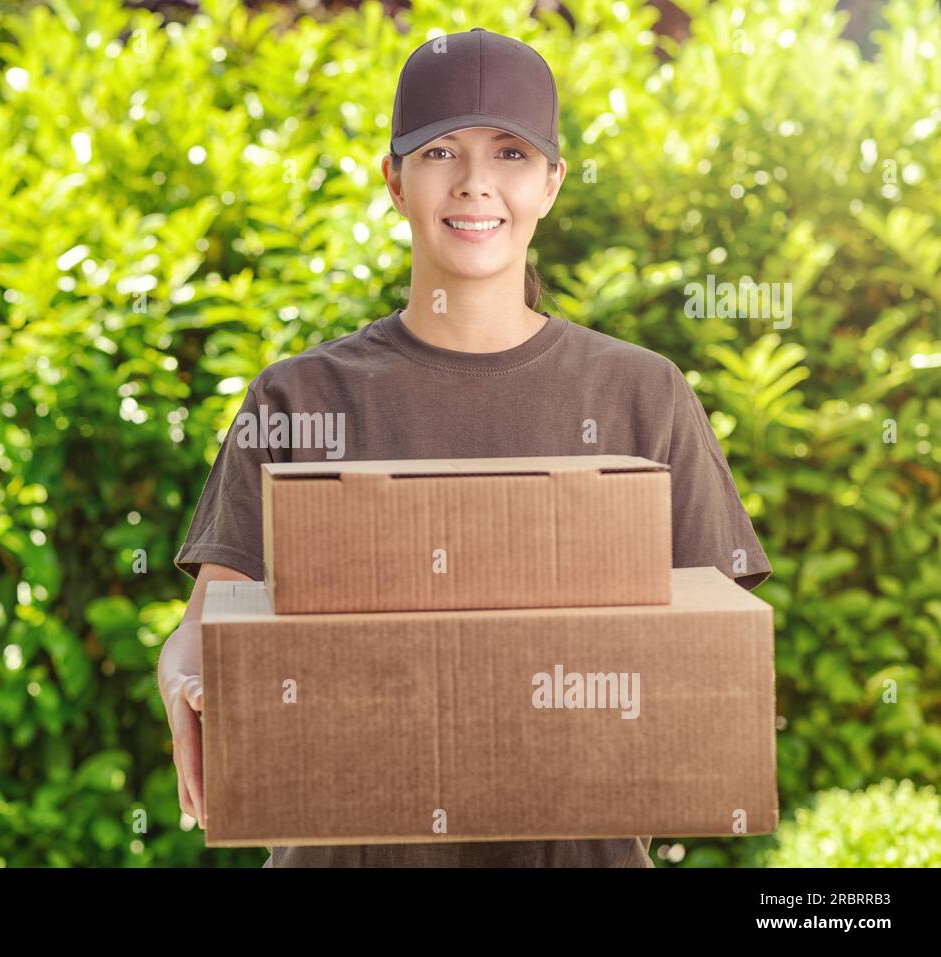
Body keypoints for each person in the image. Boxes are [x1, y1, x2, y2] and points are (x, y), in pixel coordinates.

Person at [156, 28, 772, 867]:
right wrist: (184, 676)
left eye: (511, 153)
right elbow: (210, 625)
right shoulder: (298, 399)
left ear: (551, 183)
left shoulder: (640, 394)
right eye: (440, 151)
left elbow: (710, 656)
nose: (476, 182)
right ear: (394, 180)